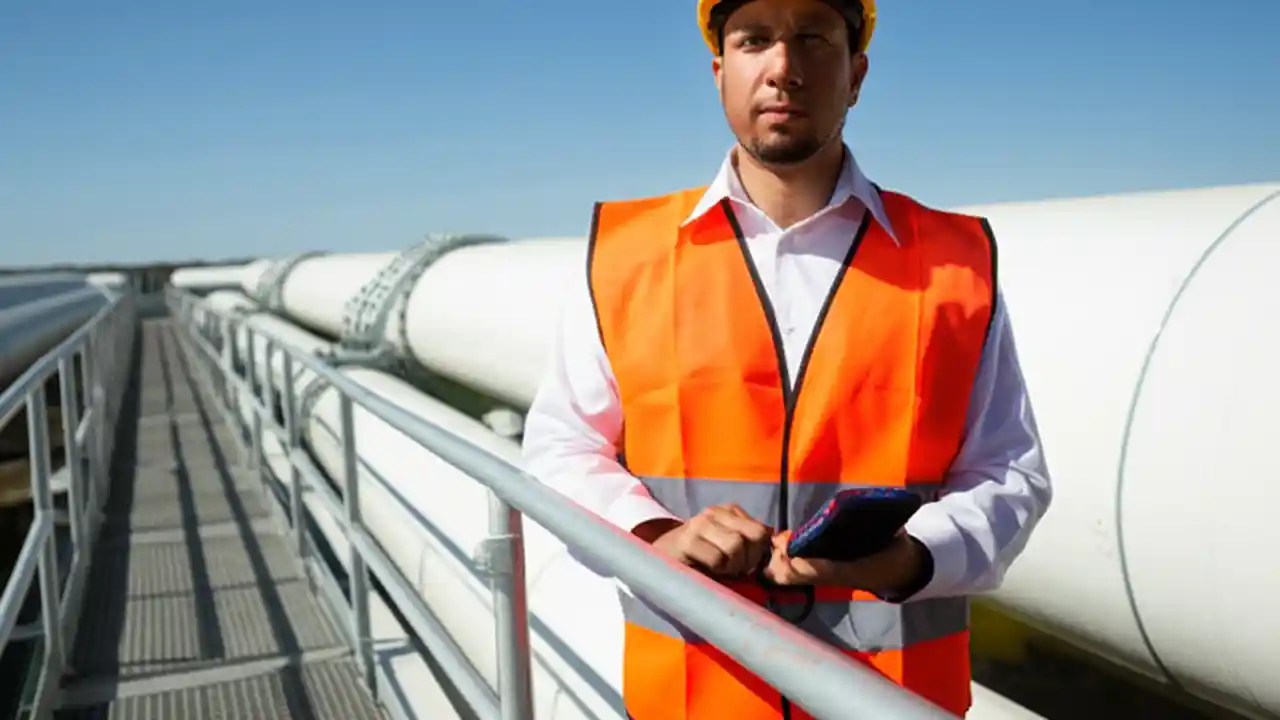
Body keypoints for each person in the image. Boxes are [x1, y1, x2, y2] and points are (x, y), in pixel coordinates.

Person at [521, 0, 1052, 717]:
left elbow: (1010, 473)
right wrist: (655, 535)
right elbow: (561, 448)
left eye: (812, 39)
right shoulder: (626, 257)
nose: (783, 68)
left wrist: (910, 557)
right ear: (719, 71)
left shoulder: (953, 265)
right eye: (754, 40)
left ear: (856, 73)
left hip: (890, 700)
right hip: (697, 696)